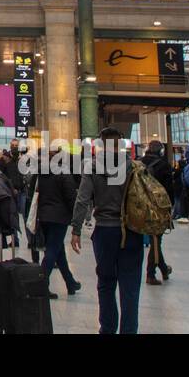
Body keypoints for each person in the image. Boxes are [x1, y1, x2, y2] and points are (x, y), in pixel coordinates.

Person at [71, 127, 145, 334]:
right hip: (131, 231)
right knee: (130, 285)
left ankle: (107, 328)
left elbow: (83, 199)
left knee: (105, 282)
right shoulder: (134, 167)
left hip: (105, 231)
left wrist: (76, 229)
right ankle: (129, 330)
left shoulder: (93, 167)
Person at [32, 146, 81, 298]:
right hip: (59, 218)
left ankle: (70, 282)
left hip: (44, 216)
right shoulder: (63, 173)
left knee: (58, 251)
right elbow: (70, 197)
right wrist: (75, 217)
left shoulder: (41, 174)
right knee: (53, 250)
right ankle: (41, 284)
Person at [140, 140, 175, 285]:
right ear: (160, 151)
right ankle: (150, 273)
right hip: (158, 207)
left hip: (141, 206)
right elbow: (169, 189)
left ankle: (163, 268)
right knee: (156, 240)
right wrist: (169, 207)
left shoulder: (139, 163)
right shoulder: (163, 166)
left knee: (155, 240)